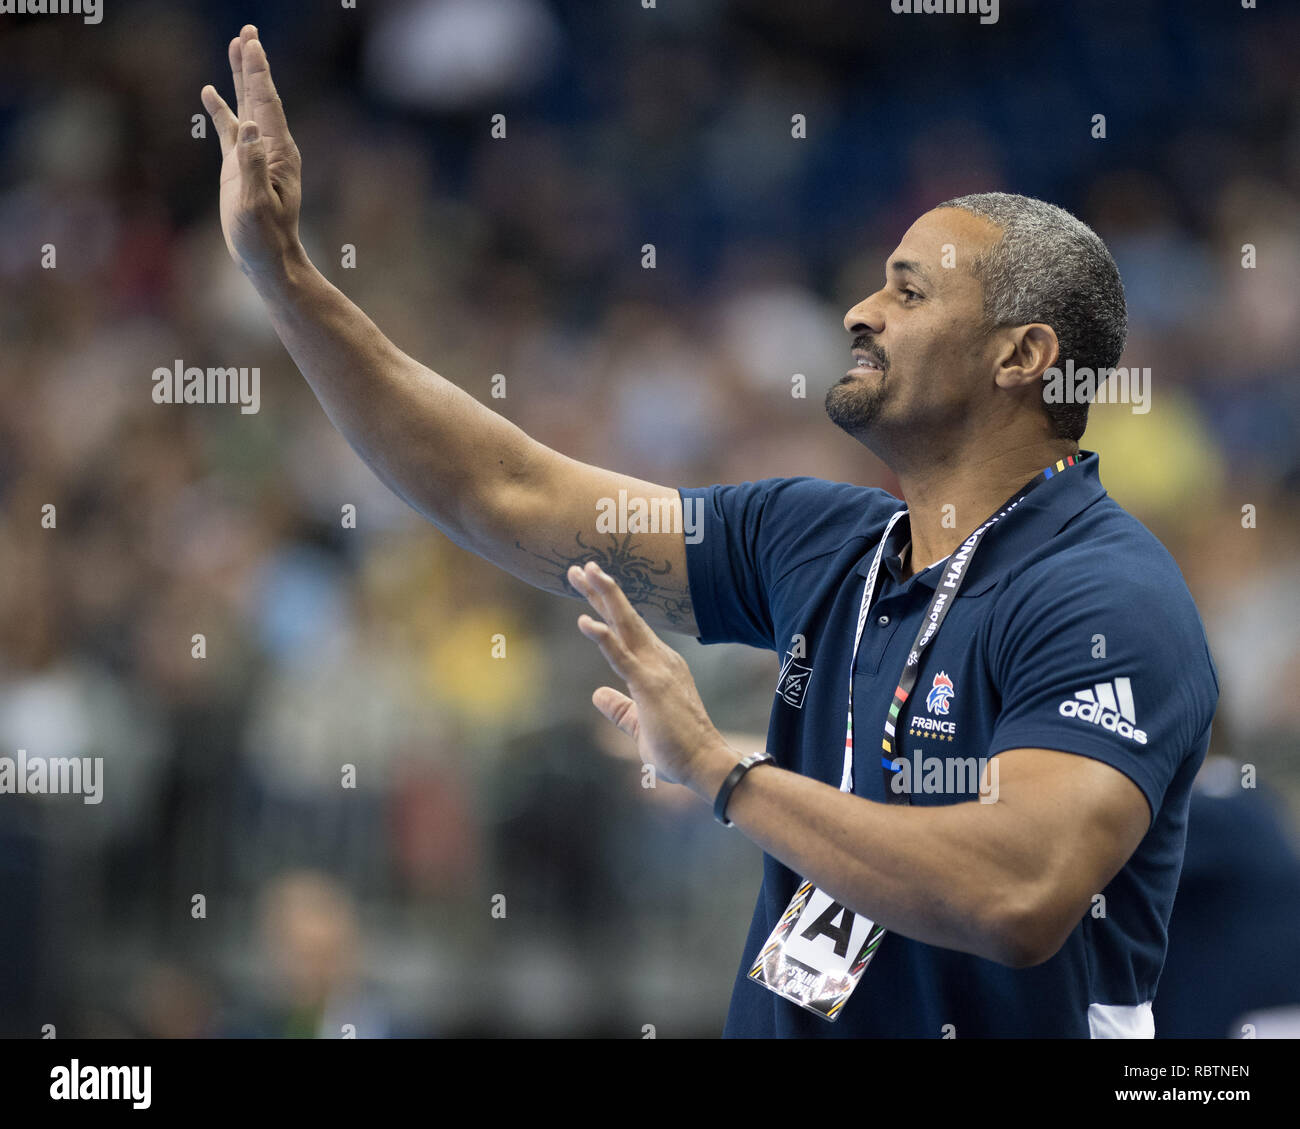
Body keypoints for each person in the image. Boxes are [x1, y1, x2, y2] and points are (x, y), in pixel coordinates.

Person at [201, 25, 1219, 1038]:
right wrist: (286, 280)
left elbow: (1019, 889)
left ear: (1022, 355)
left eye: (908, 289)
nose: (861, 310)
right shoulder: (817, 540)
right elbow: (503, 491)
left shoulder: (1105, 596)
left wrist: (723, 772)